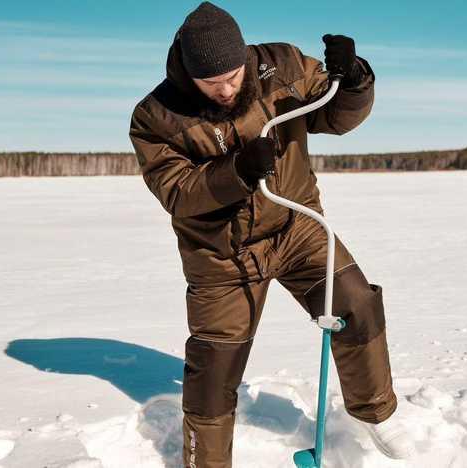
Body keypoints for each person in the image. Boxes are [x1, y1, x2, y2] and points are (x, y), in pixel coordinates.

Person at [129, 2, 414, 466]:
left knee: (356, 304)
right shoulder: (155, 116)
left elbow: (336, 116)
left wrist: (356, 80)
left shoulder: (282, 66)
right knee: (214, 371)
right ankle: (206, 461)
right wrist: (236, 172)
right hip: (222, 255)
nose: (225, 89)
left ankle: (375, 414)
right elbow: (178, 192)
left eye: (233, 76)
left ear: (244, 56)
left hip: (297, 226)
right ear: (188, 73)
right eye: (211, 82)